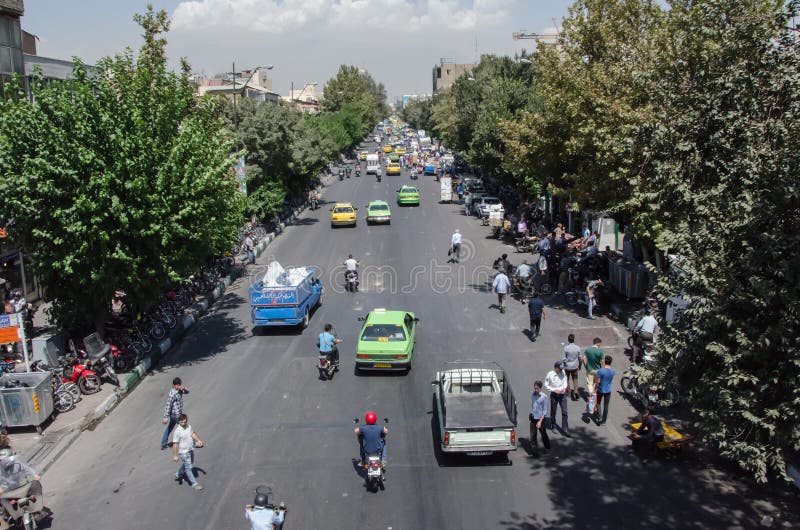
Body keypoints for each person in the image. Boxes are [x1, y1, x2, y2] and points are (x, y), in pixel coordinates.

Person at [0, 446, 43, 522]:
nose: (4, 462)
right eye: (2, 460)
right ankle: (7, 515)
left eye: (6, 459)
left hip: (20, 487)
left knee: (33, 492)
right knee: (4, 501)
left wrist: (34, 475)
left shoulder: (17, 464)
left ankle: (36, 510)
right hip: (8, 491)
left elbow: (27, 469)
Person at [172, 414, 204, 490]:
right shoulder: (177, 431)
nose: (183, 423)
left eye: (185, 421)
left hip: (190, 449)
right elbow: (175, 444)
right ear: (179, 421)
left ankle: (178, 474)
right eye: (182, 422)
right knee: (189, 467)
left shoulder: (188, 426)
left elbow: (192, 434)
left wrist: (198, 440)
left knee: (189, 464)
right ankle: (194, 484)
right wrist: (175, 456)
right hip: (183, 452)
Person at [161, 377, 189, 450]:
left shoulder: (179, 390)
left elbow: (187, 392)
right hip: (176, 415)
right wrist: (165, 417)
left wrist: (183, 388)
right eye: (177, 385)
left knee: (170, 427)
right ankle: (192, 441)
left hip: (176, 414)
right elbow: (168, 405)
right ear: (173, 385)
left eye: (179, 385)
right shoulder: (172, 394)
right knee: (185, 427)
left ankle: (164, 443)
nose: (178, 386)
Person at [545, 361, 570, 437]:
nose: (561, 370)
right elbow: (546, 385)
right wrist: (554, 390)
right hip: (554, 395)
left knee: (565, 412)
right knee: (553, 411)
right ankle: (553, 425)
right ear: (556, 368)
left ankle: (565, 429)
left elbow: (565, 381)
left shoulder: (563, 372)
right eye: (560, 369)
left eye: (562, 369)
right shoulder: (550, 375)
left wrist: (564, 388)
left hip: (562, 395)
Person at [529, 381, 550, 457]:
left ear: (540, 388)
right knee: (533, 435)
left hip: (540, 419)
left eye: (537, 388)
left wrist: (540, 422)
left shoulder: (544, 397)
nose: (536, 390)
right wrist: (531, 414)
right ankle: (535, 452)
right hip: (533, 417)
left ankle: (547, 447)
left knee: (543, 434)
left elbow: (545, 411)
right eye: (535, 388)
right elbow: (533, 406)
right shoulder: (532, 394)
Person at [593, 355, 615, 425]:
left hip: (600, 390)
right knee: (606, 405)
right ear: (611, 362)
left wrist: (594, 389)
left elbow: (598, 381)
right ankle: (604, 421)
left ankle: (600, 417)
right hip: (608, 390)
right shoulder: (613, 371)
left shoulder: (600, 371)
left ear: (605, 361)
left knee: (598, 403)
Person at [562, 334, 581, 400]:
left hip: (567, 366)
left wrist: (564, 364)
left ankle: (568, 392)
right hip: (575, 366)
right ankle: (576, 391)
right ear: (574, 339)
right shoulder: (577, 347)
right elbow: (580, 358)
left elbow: (563, 358)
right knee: (575, 378)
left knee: (567, 379)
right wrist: (580, 365)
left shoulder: (566, 348)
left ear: (568, 340)